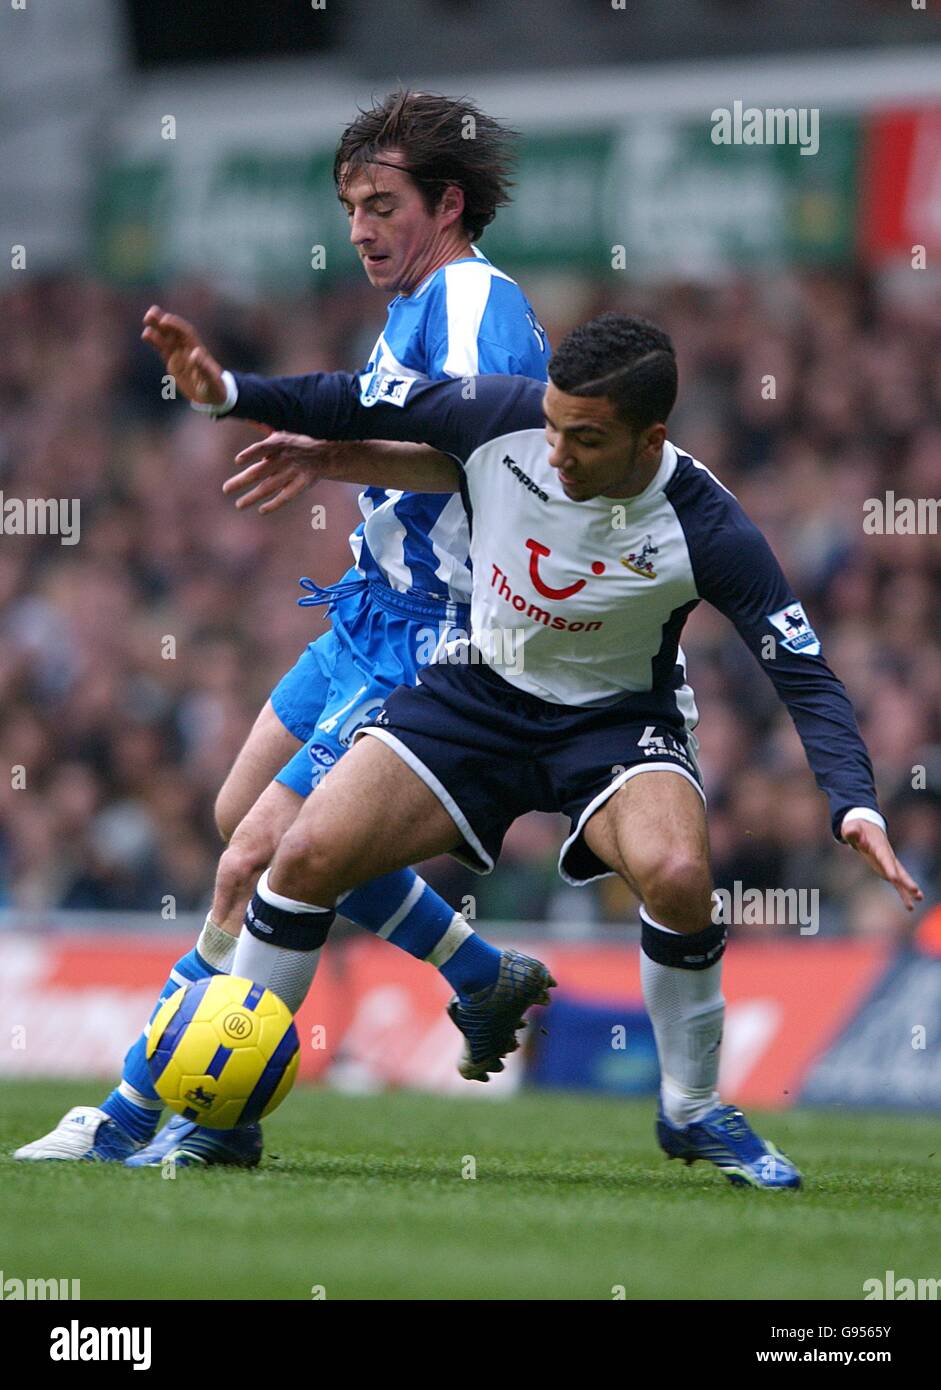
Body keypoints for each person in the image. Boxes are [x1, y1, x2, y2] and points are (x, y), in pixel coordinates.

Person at [211, 311, 922, 1189]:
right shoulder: (500, 414)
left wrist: (851, 802)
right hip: (477, 690)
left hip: (616, 723)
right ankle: (229, 1116)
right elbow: (352, 397)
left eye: (583, 439)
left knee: (675, 873)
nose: (554, 453)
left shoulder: (707, 526)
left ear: (648, 437)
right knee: (305, 852)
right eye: (550, 426)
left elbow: (803, 672)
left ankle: (693, 1110)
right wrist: (230, 391)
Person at [16, 91, 554, 1168]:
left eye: (380, 202)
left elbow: (475, 451)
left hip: (431, 633)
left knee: (254, 859)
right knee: (235, 816)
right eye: (350, 204)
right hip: (362, 613)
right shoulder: (409, 306)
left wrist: (325, 448)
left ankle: (151, 1112)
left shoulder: (468, 301)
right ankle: (478, 973)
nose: (359, 226)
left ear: (446, 204)